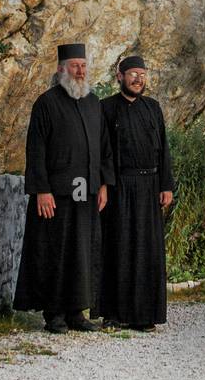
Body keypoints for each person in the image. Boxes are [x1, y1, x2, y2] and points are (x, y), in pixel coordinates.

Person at [13, 43, 114, 333]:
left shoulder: (94, 103)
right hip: (56, 195)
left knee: (82, 254)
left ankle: (76, 312)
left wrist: (104, 184)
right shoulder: (46, 103)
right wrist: (41, 190)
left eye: (83, 66)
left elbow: (104, 149)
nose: (80, 71)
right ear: (61, 69)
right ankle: (54, 314)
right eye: (74, 66)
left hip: (87, 194)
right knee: (55, 253)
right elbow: (36, 149)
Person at [100, 55, 175, 332]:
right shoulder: (105, 108)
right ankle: (113, 313)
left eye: (142, 75)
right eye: (132, 74)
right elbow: (102, 152)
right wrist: (104, 185)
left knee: (147, 251)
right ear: (119, 76)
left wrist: (166, 185)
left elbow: (163, 148)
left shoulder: (153, 108)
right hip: (119, 187)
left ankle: (144, 315)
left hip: (149, 188)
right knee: (117, 248)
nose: (137, 79)